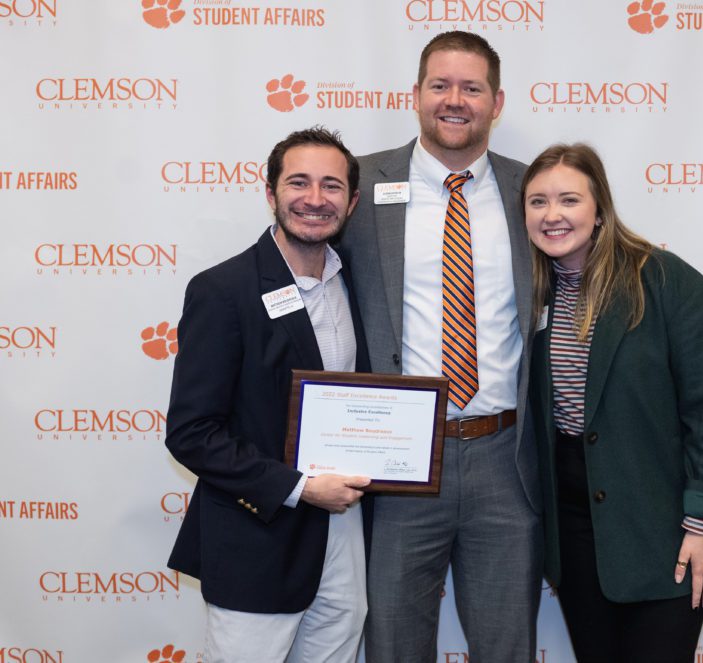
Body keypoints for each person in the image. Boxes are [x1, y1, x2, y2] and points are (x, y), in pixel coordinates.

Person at [339, 31, 542, 663]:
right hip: (398, 461)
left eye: (472, 88)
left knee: (508, 647)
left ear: (497, 101)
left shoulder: (531, 191)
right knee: (394, 645)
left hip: (504, 460)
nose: (455, 100)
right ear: (417, 94)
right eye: (441, 85)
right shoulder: (359, 184)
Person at [522, 143, 703, 662]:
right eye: (537, 202)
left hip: (665, 530)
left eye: (568, 200)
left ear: (599, 209)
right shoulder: (532, 291)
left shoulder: (667, 283)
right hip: (576, 533)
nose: (553, 215)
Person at [165, 127, 373, 663]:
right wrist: (300, 488)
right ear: (270, 192)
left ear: (351, 201)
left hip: (344, 539)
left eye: (331, 186)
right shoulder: (223, 290)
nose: (314, 198)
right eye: (298, 182)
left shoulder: (359, 284)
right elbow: (192, 433)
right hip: (257, 538)